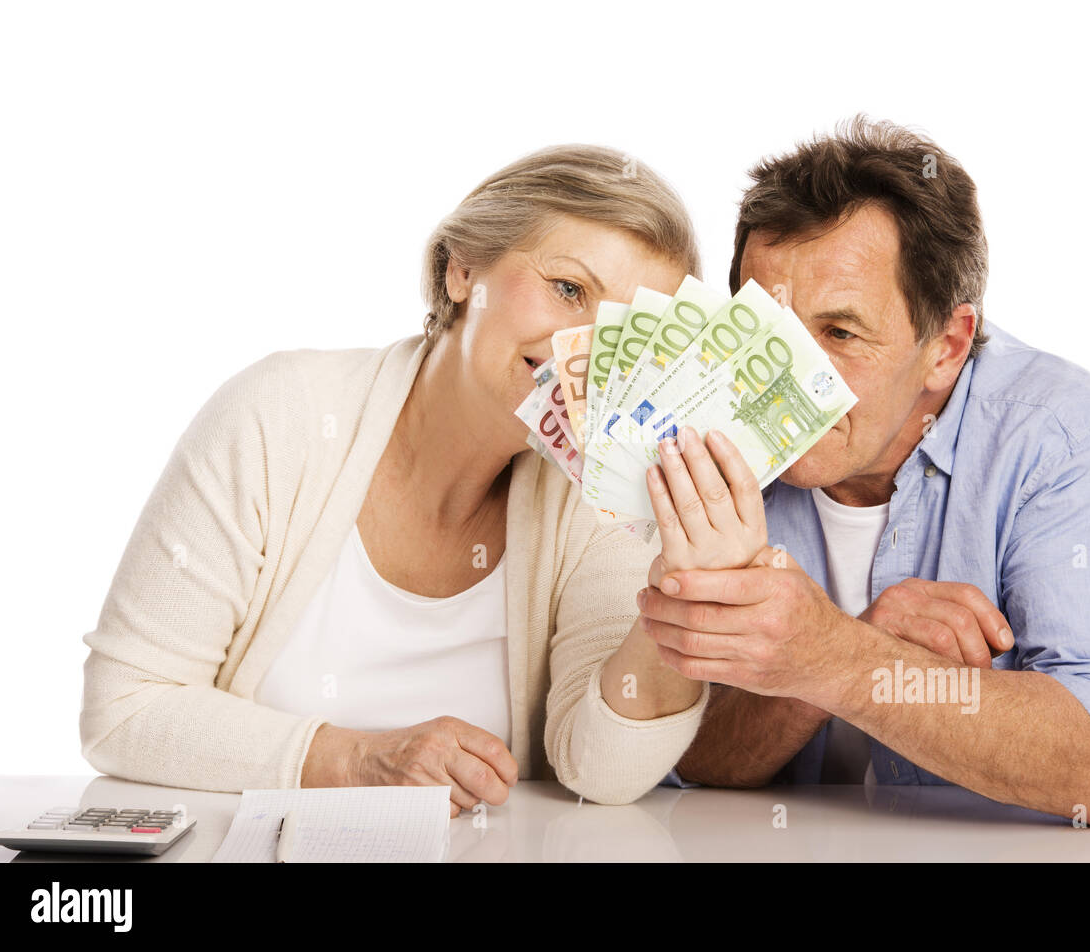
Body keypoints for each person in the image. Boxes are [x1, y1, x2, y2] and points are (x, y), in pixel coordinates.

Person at [80, 144, 725, 813]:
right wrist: (356, 759)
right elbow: (123, 709)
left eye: (632, 329)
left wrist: (684, 594)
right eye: (569, 289)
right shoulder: (279, 417)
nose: (587, 352)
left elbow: (602, 773)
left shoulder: (595, 497)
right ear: (462, 269)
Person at [637, 115, 1090, 828]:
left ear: (947, 345)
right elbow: (683, 759)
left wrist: (839, 657)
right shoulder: (692, 426)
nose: (784, 382)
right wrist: (828, 658)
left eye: (839, 333)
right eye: (766, 327)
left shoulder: (1060, 433)